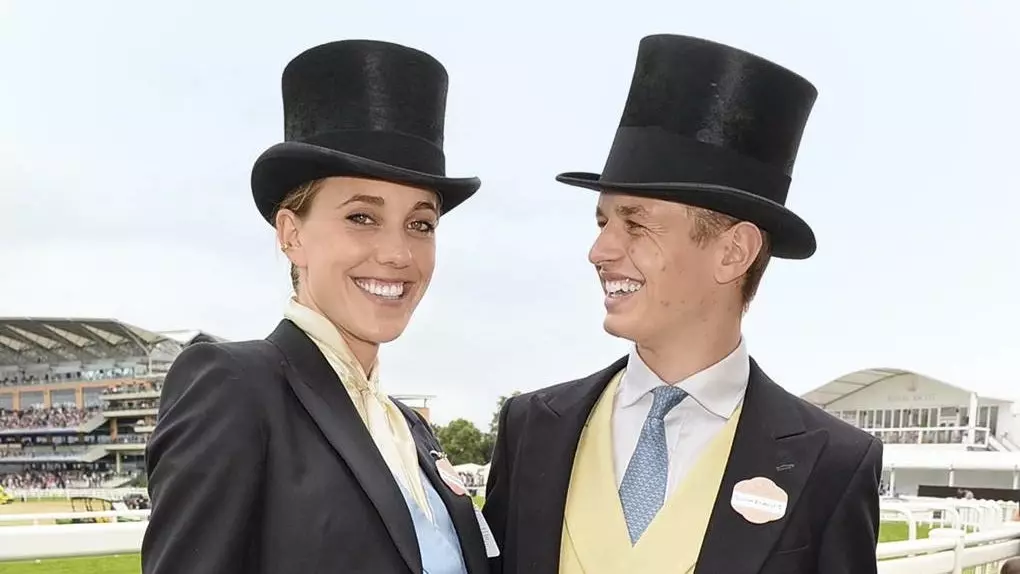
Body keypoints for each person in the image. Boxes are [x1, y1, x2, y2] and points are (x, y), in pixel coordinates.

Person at [483, 34, 882, 574]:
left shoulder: (832, 464)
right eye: (603, 221)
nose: (599, 251)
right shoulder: (530, 428)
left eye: (636, 224)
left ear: (732, 252)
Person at [142, 40, 490, 574]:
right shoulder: (234, 387)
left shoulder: (409, 429)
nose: (398, 253)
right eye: (361, 217)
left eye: (420, 224)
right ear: (291, 234)